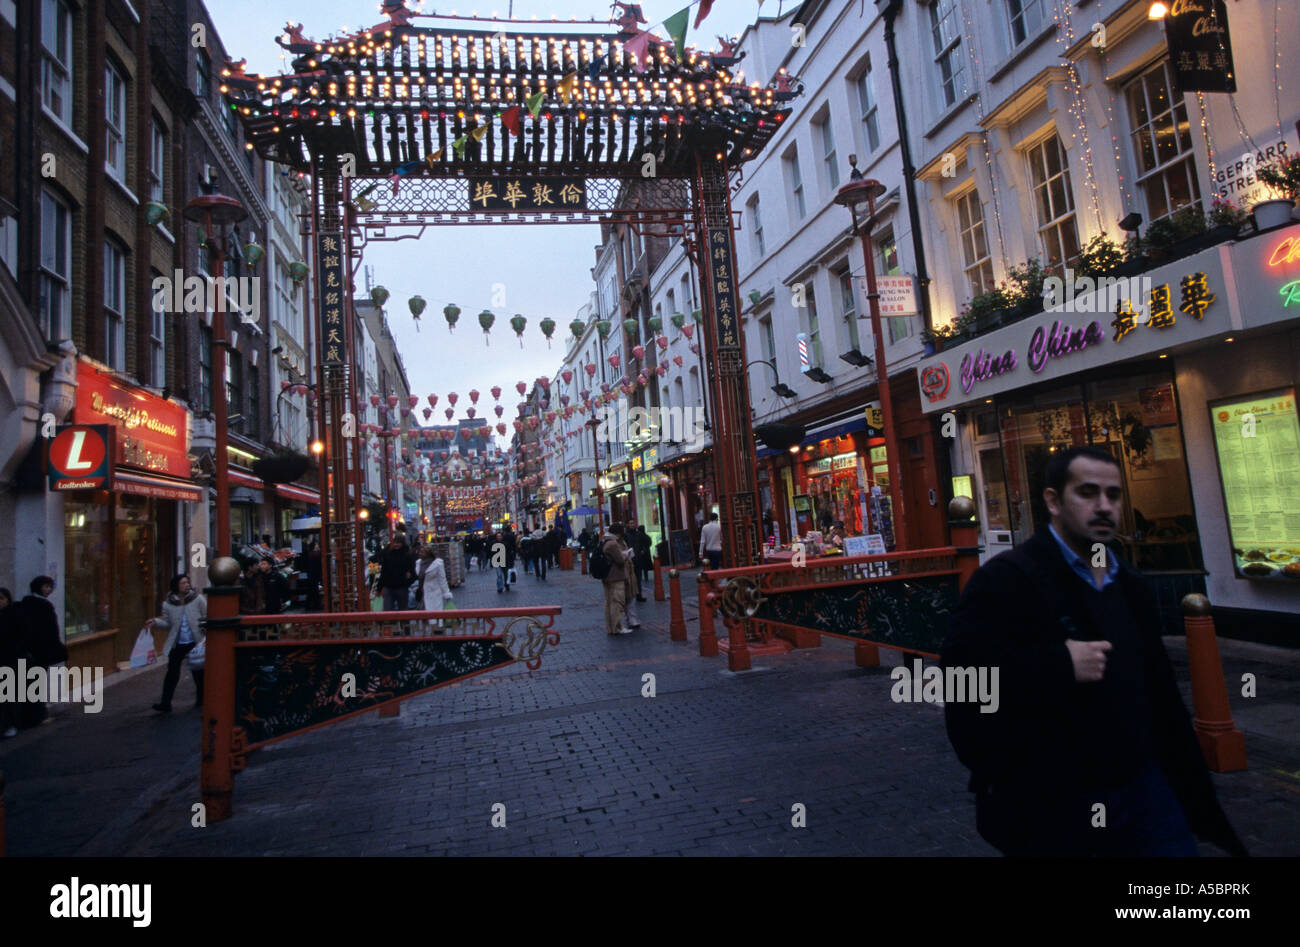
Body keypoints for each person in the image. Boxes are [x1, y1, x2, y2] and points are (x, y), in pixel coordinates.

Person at [942, 446, 1246, 857]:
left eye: (1113, 495)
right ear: (1053, 501)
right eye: (1087, 493)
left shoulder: (1130, 585)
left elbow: (1161, 699)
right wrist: (1056, 665)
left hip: (1146, 791)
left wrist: (1190, 787)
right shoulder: (1006, 581)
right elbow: (960, 683)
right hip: (1057, 802)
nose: (1104, 506)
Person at [148, 574, 207, 714]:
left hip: (195, 640)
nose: (186, 585)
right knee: (172, 673)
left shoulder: (197, 599)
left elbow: (206, 615)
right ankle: (165, 703)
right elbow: (167, 623)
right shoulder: (168, 604)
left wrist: (205, 630)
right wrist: (155, 622)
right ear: (176, 586)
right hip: (178, 642)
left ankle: (202, 699)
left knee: (198, 672)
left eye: (187, 582)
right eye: (183, 583)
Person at [18, 576, 68, 728]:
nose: (49, 590)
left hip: (29, 649)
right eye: (46, 587)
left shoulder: (25, 603)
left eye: (50, 587)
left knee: (29, 682)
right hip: (40, 649)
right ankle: (37, 716)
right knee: (37, 682)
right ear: (39, 587)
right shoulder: (43, 605)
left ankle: (28, 715)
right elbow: (50, 629)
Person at [601, 525, 638, 635]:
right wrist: (625, 555)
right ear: (618, 533)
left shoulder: (605, 541)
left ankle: (611, 627)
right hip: (615, 576)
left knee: (610, 602)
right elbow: (620, 560)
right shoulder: (613, 543)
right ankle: (617, 627)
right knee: (617, 602)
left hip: (608, 576)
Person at [417, 547, 454, 634]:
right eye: (420, 551)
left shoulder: (437, 564)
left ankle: (437, 632)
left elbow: (442, 579)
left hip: (434, 593)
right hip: (422, 593)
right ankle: (425, 633)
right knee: (423, 613)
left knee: (435, 615)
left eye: (422, 552)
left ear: (428, 554)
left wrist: (446, 593)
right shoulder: (418, 563)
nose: (420, 553)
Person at [0, 588, 21, 737]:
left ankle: (10, 724)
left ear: (8, 599)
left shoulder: (14, 615)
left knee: (7, 694)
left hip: (9, 660)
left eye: (1, 598)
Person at [376, 534, 416, 610]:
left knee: (403, 612)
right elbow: (383, 572)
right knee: (388, 611)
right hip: (389, 587)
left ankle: (402, 622)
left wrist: (406, 583)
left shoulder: (407, 556)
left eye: (399, 542)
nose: (396, 544)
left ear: (402, 543)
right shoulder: (388, 555)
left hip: (401, 587)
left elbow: (413, 573)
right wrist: (379, 588)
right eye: (395, 542)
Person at [631, 524, 651, 601]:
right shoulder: (627, 535)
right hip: (632, 559)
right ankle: (635, 593)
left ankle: (638, 594)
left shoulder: (639, 535)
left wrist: (643, 550)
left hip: (639, 558)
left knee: (638, 577)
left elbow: (648, 542)